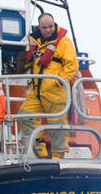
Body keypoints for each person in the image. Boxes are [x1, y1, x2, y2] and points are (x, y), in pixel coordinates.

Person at [16, 13, 79, 158]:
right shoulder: (35, 41)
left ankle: (58, 156)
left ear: (54, 24)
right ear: (39, 27)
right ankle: (40, 151)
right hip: (37, 90)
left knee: (57, 125)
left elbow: (72, 65)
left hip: (55, 91)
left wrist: (58, 80)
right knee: (24, 115)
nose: (49, 30)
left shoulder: (64, 42)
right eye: (45, 27)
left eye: (51, 26)